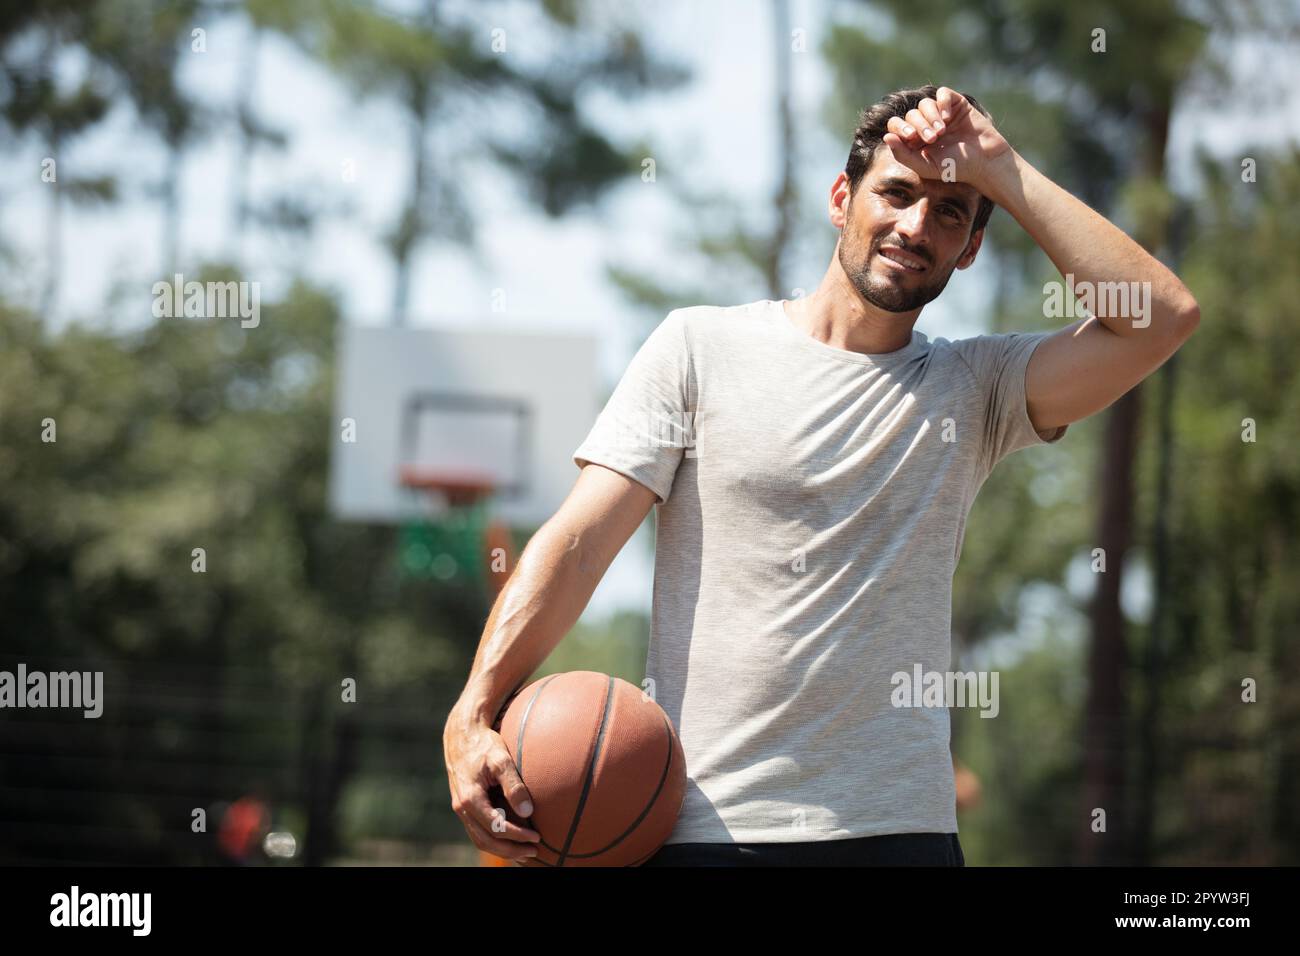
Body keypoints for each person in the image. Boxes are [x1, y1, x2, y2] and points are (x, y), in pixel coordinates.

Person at [442, 84, 1200, 866]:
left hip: (898, 834)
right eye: (897, 193)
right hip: (710, 830)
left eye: (950, 213)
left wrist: (1002, 170)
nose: (916, 225)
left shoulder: (977, 388)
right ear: (843, 198)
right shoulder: (697, 349)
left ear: (970, 247)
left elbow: (1162, 318)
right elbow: (578, 544)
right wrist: (473, 711)